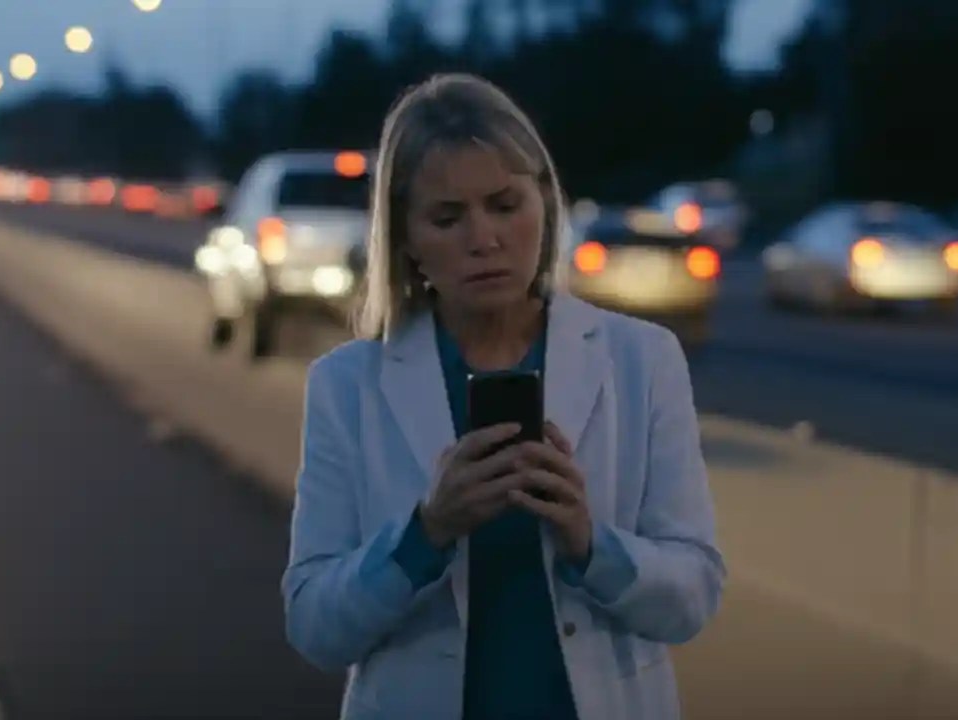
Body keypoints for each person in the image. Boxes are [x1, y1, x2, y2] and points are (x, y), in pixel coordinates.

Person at [281, 73, 726, 720]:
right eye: (447, 217)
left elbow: (693, 598)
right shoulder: (347, 386)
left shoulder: (642, 360)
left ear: (545, 205)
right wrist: (426, 532)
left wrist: (590, 543)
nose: (483, 238)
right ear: (405, 238)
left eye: (504, 204)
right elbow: (316, 628)